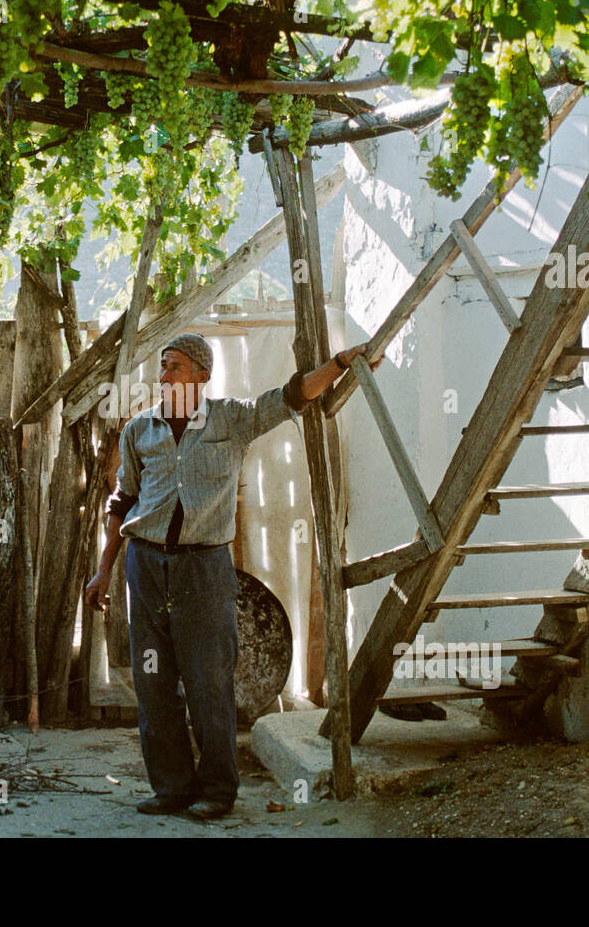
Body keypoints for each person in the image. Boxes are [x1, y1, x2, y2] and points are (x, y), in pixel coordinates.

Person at [84, 331, 380, 819]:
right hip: (147, 568)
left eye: (175, 366)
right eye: (162, 366)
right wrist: (103, 570)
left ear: (202, 374)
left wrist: (338, 364)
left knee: (209, 682)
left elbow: (291, 397)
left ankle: (217, 791)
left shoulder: (231, 419)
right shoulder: (140, 430)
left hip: (203, 570)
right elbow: (122, 502)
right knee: (154, 683)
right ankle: (172, 788)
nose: (164, 375)